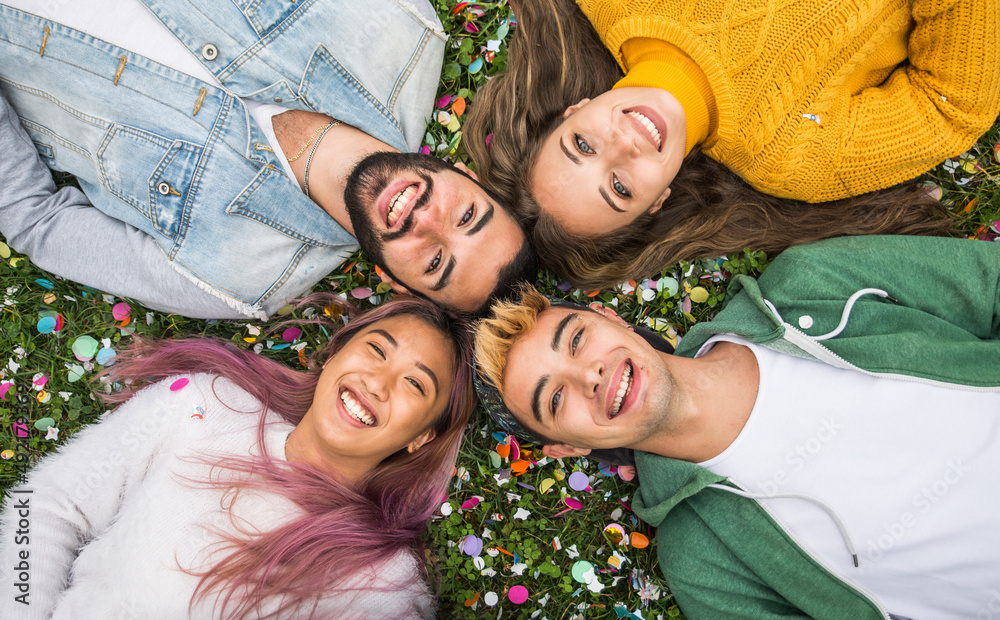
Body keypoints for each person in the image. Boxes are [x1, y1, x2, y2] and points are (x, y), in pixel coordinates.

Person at [473, 234, 1000, 618]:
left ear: (611, 318)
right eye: (557, 397)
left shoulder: (806, 285)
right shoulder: (703, 563)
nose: (590, 374)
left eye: (576, 339)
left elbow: (988, 284)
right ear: (568, 447)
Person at [0, 0, 535, 319]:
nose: (426, 221)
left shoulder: (235, 278)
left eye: (435, 262)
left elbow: (37, 220)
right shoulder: (400, 29)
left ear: (397, 282)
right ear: (468, 175)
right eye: (466, 215)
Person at [465, 0, 999, 291]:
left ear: (571, 111)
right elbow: (953, 103)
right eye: (619, 187)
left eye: (580, 144)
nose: (622, 143)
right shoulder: (794, 158)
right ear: (658, 200)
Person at [0, 296, 476, 619]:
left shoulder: (386, 587)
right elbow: (43, 505)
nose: (377, 382)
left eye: (415, 384)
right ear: (333, 355)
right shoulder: (201, 403)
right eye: (376, 349)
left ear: (421, 438)